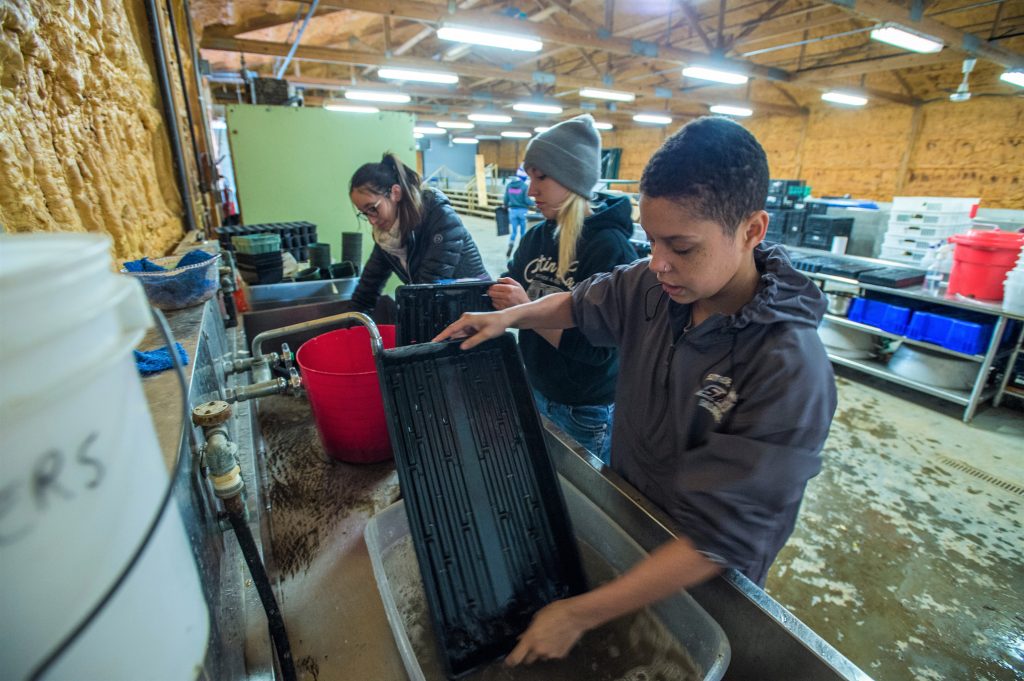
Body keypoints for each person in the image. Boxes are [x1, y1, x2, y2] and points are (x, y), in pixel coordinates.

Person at [435, 116, 837, 666]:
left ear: (751, 230)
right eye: (651, 241)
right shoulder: (653, 285)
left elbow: (718, 538)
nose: (659, 263)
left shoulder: (787, 369)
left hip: (705, 578)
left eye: (681, 246)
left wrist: (580, 612)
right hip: (634, 513)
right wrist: (509, 319)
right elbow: (581, 303)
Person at [490, 115, 637, 464]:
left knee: (584, 501)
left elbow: (601, 350)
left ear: (571, 179)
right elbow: (510, 285)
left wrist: (525, 310)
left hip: (583, 408)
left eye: (541, 177)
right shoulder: (537, 236)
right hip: (536, 388)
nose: (530, 190)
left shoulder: (611, 249)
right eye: (529, 177)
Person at [348, 152, 488, 311]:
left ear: (395, 193)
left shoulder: (439, 217)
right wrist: (352, 324)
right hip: (441, 310)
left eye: (372, 208)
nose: (372, 220)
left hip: (476, 309)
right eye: (364, 213)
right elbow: (367, 288)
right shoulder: (387, 238)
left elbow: (428, 287)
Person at [503, 166, 533, 258]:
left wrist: (505, 205)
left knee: (514, 231)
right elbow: (526, 200)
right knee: (523, 232)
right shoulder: (524, 186)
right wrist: (534, 203)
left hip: (512, 211)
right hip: (522, 211)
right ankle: (522, 250)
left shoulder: (509, 185)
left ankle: (511, 244)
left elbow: (506, 199)